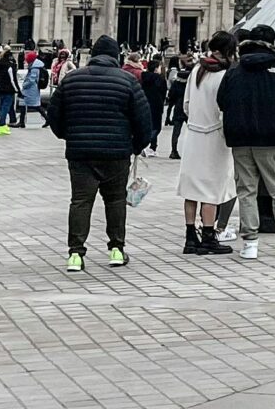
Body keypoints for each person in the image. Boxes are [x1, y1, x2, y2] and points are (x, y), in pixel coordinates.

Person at [44, 35, 157, 270]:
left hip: (81, 152)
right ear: (116, 56)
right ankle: (116, 250)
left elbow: (54, 115)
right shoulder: (127, 81)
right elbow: (144, 120)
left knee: (80, 201)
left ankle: (75, 254)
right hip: (116, 152)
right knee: (115, 200)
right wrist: (136, 146)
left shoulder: (72, 79)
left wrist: (69, 136)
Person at [218, 26, 275, 259]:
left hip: (240, 137)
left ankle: (249, 243)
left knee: (246, 190)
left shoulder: (236, 68)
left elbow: (221, 100)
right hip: (271, 135)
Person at [175, 33, 236, 255]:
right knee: (211, 189)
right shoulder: (224, 75)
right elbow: (225, 111)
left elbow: (186, 105)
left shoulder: (196, 70)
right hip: (214, 137)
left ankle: (190, 237)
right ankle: (208, 235)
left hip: (193, 136)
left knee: (191, 189)